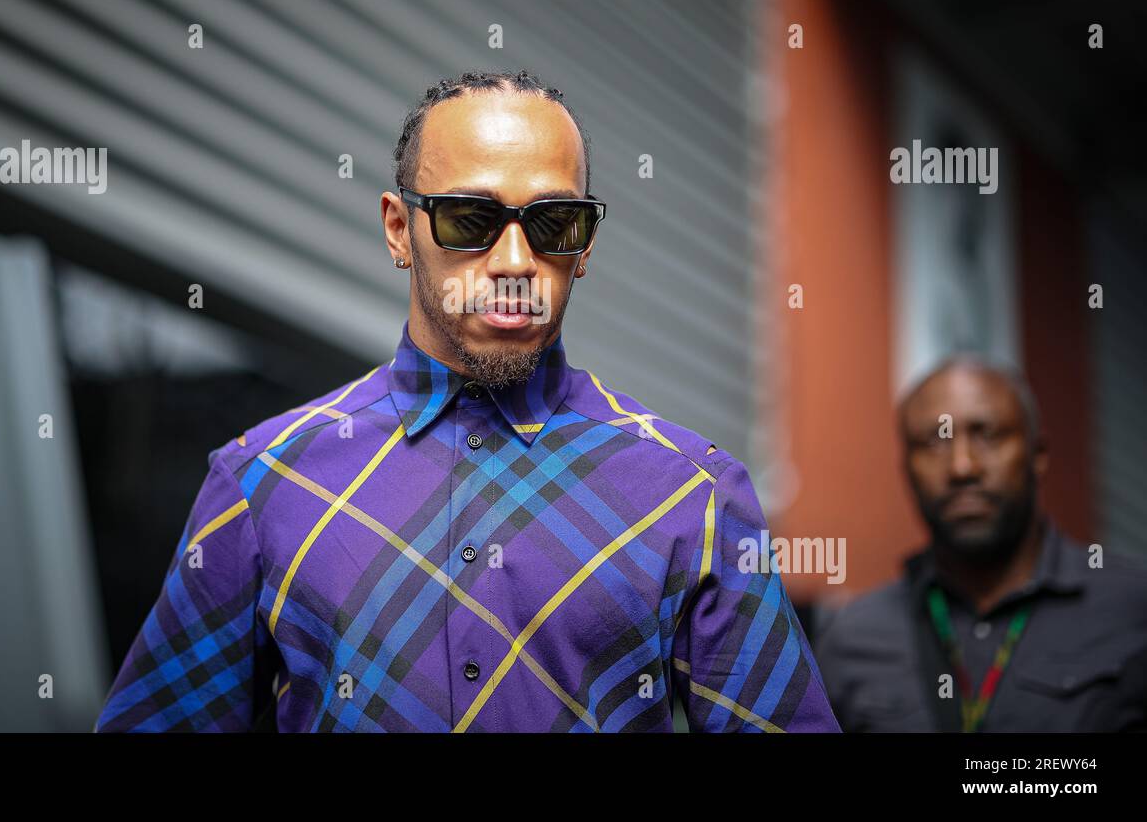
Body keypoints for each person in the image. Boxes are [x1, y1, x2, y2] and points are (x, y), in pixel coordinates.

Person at [95, 69, 838, 732]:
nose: (515, 260)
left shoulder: (694, 496)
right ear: (398, 228)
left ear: (585, 246)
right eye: (470, 220)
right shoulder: (263, 484)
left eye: (553, 224)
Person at [814, 356, 1147, 731]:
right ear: (906, 468)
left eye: (987, 435)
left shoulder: (1132, 609)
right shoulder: (851, 639)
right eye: (934, 442)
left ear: (1038, 455)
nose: (962, 467)